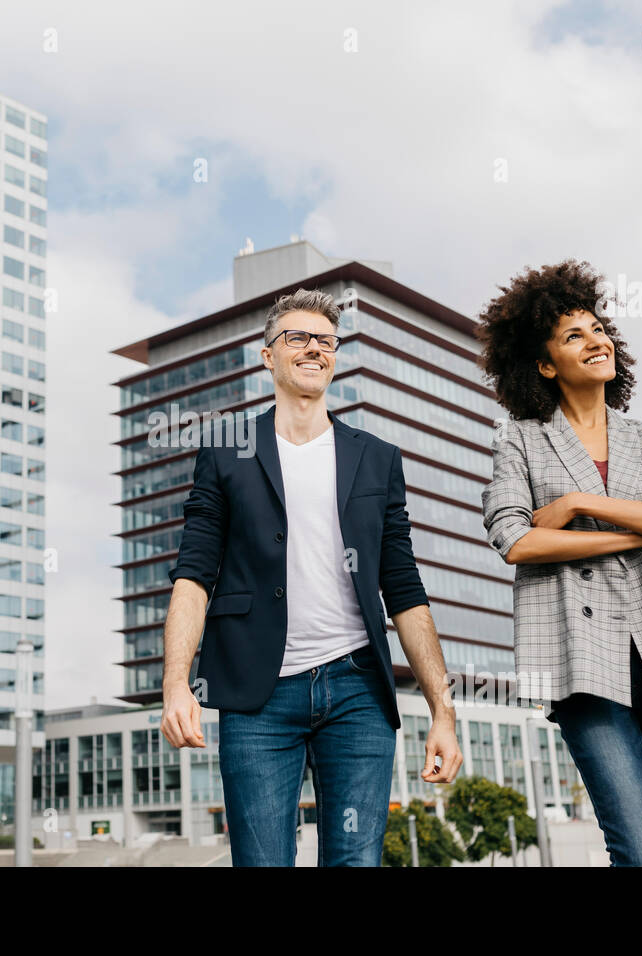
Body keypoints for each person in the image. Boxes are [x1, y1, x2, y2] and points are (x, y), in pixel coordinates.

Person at [160, 288, 462, 866]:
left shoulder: (377, 458)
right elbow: (194, 575)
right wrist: (177, 683)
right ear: (267, 355)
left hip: (357, 690)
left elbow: (404, 591)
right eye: (297, 337)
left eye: (326, 340)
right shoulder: (226, 452)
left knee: (356, 861)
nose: (314, 348)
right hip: (259, 695)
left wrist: (442, 714)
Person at [478, 259, 642, 866]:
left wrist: (580, 505)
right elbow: (516, 540)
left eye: (598, 329)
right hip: (579, 659)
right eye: (574, 335)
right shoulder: (519, 440)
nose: (597, 341)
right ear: (545, 365)